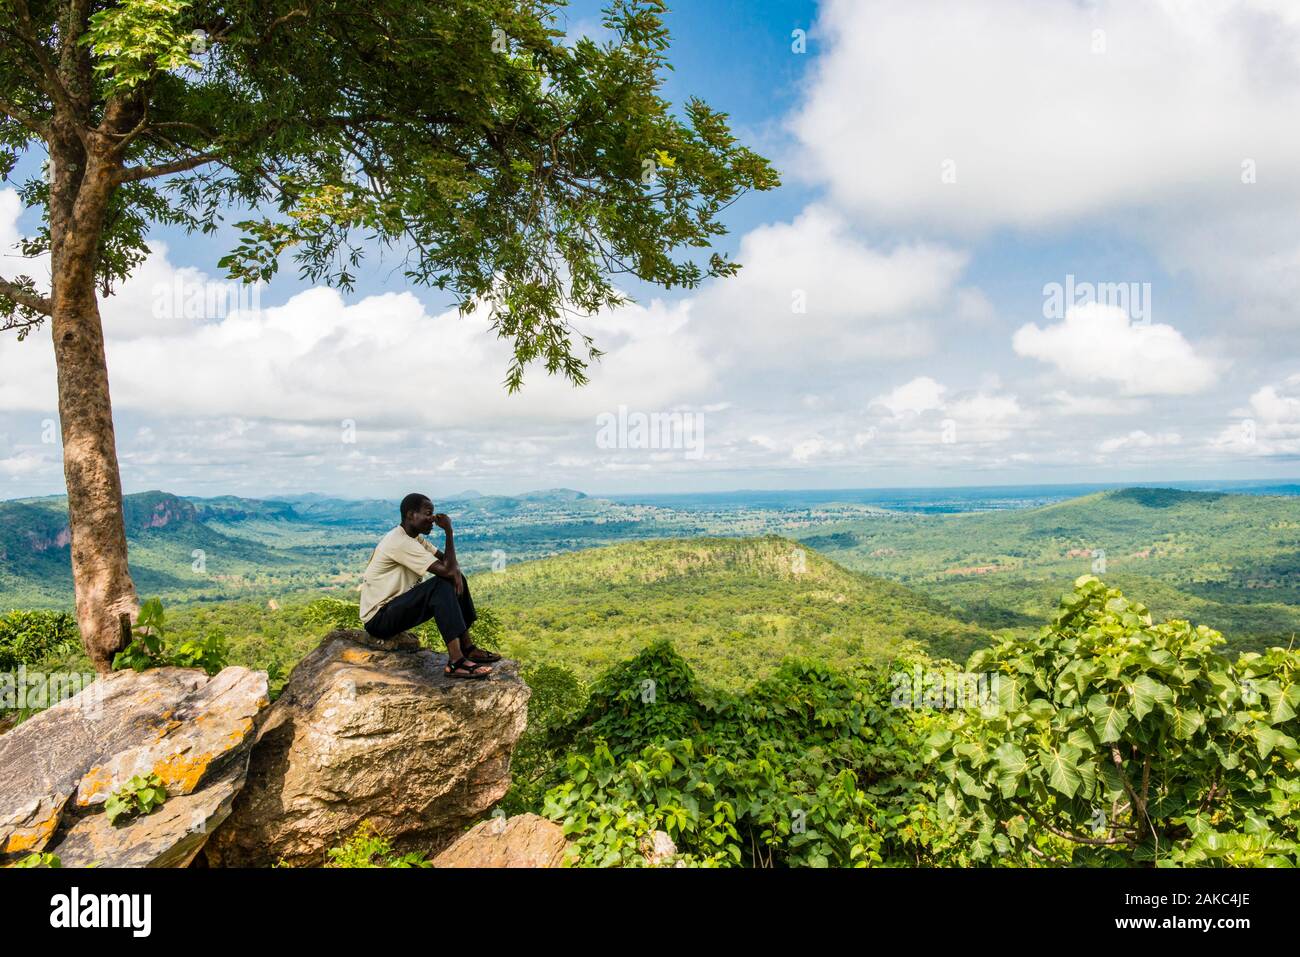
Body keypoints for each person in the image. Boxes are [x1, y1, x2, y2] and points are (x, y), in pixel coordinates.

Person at [359, 493, 501, 679]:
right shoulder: (399, 541)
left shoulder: (414, 538)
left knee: (455, 578)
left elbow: (449, 564)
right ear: (411, 515)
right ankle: (456, 662)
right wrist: (448, 531)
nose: (432, 519)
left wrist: (455, 574)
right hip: (379, 619)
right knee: (440, 586)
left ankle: (467, 648)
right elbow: (448, 571)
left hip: (394, 608)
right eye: (428, 514)